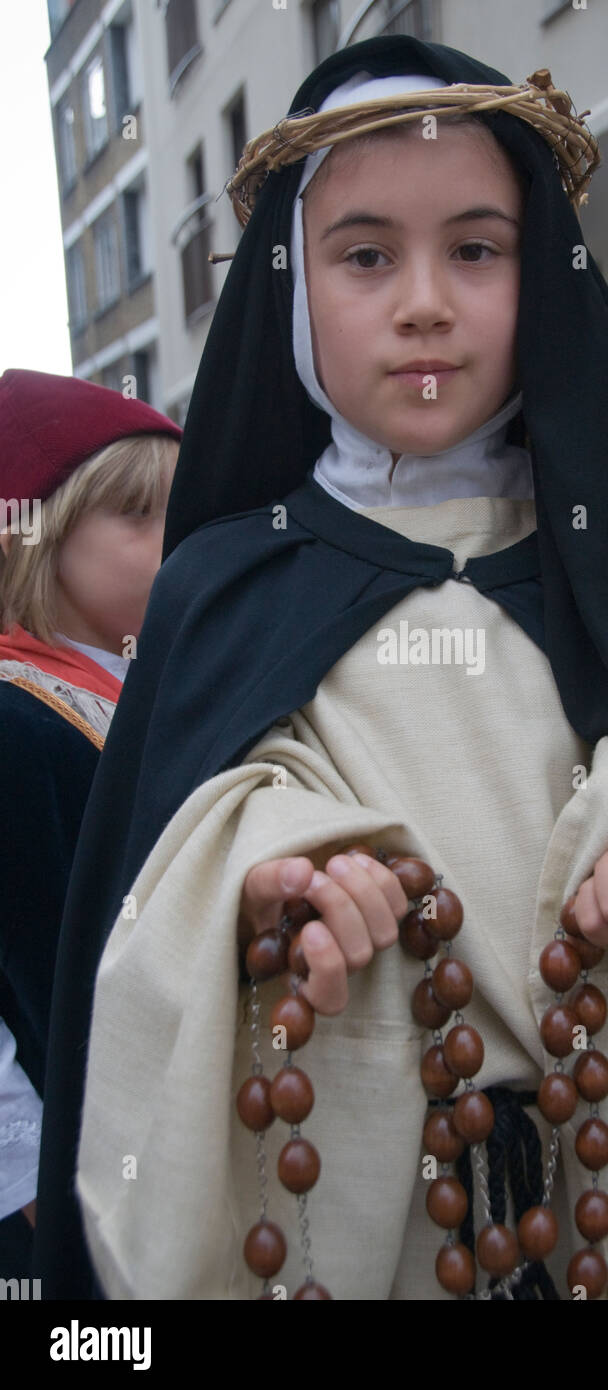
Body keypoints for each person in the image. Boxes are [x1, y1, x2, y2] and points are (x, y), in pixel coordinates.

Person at [34, 37, 608, 1302]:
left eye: (477, 249)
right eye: (364, 254)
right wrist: (262, 877)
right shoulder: (219, 593)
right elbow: (127, 951)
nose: (424, 301)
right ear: (287, 287)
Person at [0, 369, 180, 1277]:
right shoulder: (9, 715)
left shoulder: (153, 691)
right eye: (139, 516)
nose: (172, 541)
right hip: (56, 1181)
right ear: (43, 531)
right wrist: (21, 1170)